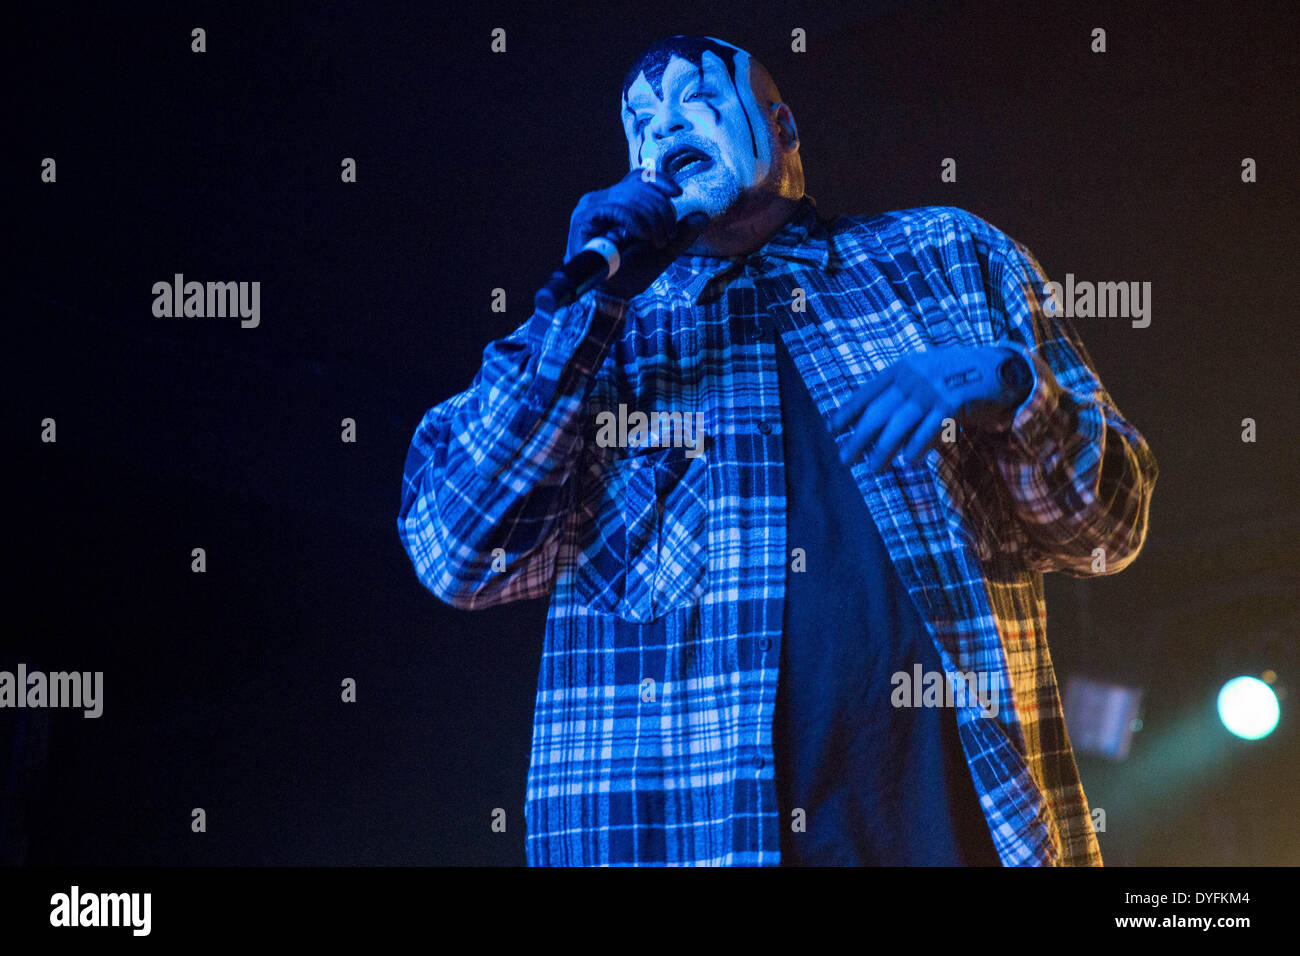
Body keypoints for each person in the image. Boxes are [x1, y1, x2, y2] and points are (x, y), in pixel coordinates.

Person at [397, 34, 1157, 866]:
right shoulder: (596, 340)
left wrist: (1015, 390)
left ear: (782, 125)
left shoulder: (946, 258)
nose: (666, 127)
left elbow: (1107, 532)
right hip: (692, 842)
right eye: (641, 120)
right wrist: (588, 312)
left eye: (700, 101)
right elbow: (456, 554)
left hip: (952, 833)